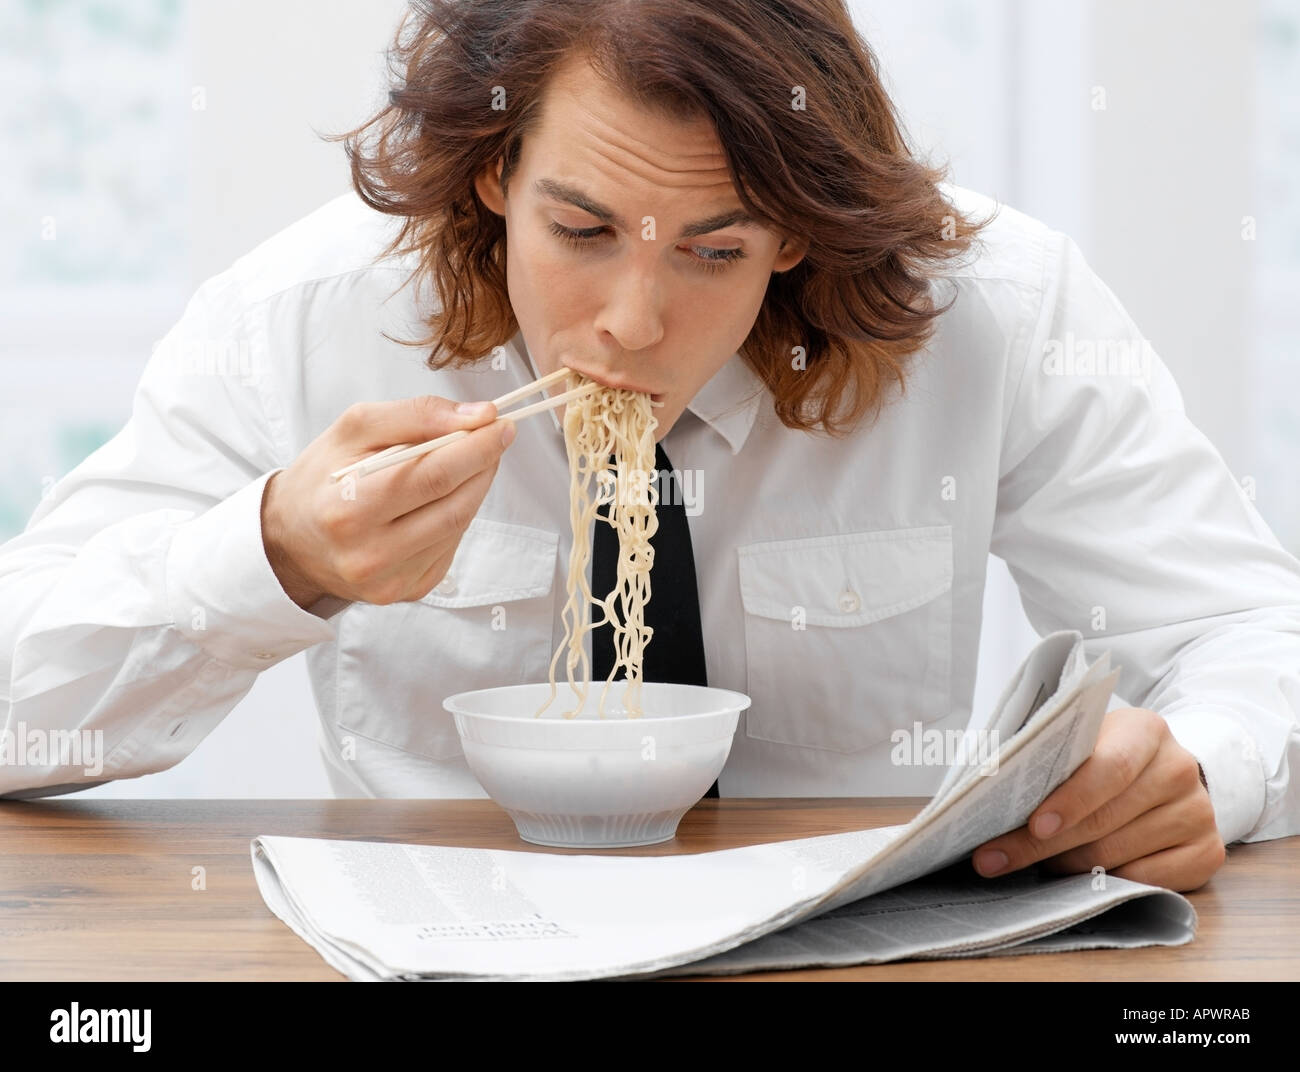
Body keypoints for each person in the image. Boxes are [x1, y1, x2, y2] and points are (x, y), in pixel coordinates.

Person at [2, 0, 1298, 895]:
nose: (633, 317)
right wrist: (274, 552)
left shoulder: (997, 312)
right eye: (581, 229)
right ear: (497, 174)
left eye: (715, 250)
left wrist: (1202, 766)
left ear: (798, 233)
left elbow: (1250, 632)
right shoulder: (308, 321)